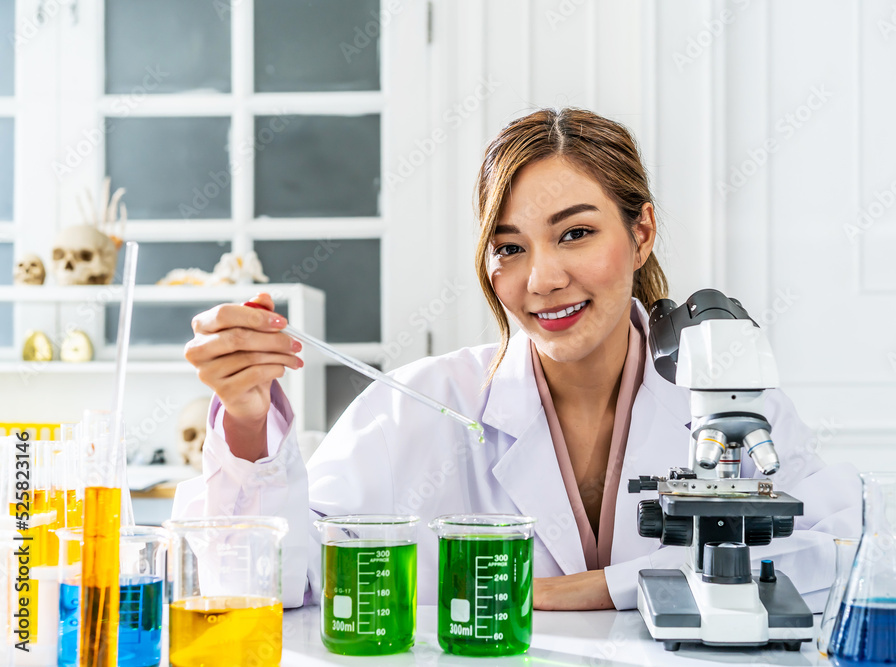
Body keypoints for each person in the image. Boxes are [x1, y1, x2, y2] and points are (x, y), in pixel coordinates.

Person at [174, 108, 860, 612]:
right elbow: (272, 580)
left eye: (576, 233)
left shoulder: (726, 398)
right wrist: (244, 413)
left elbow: (832, 552)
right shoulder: (423, 401)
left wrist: (572, 590)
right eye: (510, 247)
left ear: (642, 231)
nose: (541, 279)